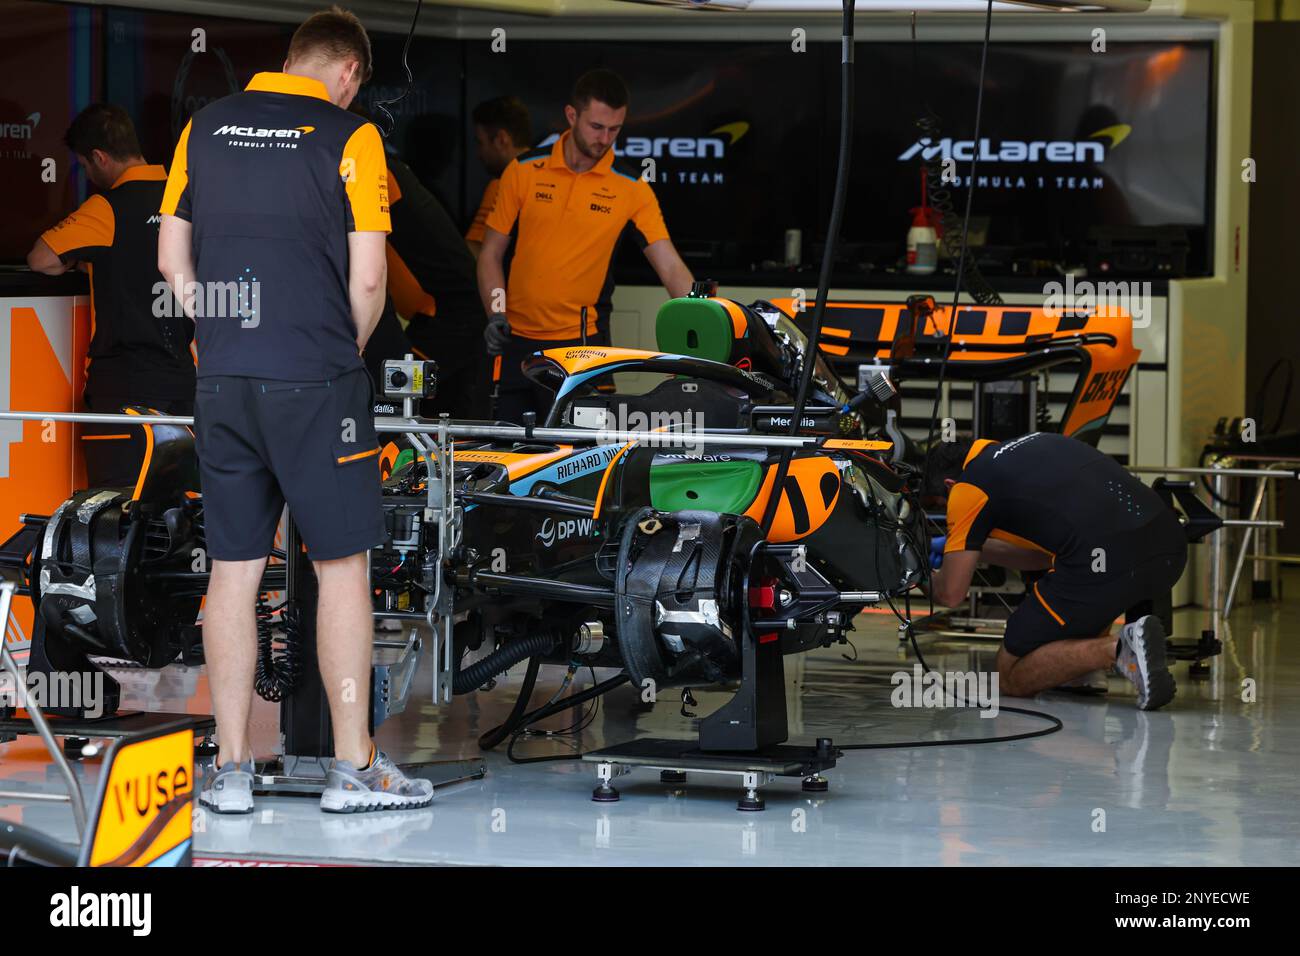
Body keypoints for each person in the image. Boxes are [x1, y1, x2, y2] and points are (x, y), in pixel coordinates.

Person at [157, 6, 433, 814]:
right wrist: (329, 347)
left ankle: (234, 771)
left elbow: (172, 255)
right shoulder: (352, 137)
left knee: (234, 572)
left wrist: (216, 328)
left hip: (226, 379)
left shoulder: (203, 127)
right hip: (318, 379)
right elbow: (374, 279)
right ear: (349, 73)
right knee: (340, 567)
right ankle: (353, 770)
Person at [476, 69, 694, 424]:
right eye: (596, 127)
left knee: (580, 461)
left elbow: (670, 267)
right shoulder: (523, 170)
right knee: (507, 453)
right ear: (572, 115)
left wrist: (707, 324)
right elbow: (490, 253)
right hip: (513, 342)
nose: (605, 139)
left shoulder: (631, 188)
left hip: (581, 347)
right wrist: (495, 313)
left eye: (615, 129)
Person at [926, 433, 1187, 711]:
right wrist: (973, 549)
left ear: (949, 485)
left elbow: (951, 594)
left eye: (942, 507)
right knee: (1089, 579)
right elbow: (1042, 557)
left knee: (1010, 674)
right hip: (1169, 551)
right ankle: (1082, 672)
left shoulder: (968, 487)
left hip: (1106, 566)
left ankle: (1121, 650)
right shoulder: (1038, 441)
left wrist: (914, 572)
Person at [27, 103, 194, 486]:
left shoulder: (107, 209)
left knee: (117, 515)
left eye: (85, 165)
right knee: (178, 514)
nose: (87, 174)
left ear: (99, 157)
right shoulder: (184, 199)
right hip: (184, 385)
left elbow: (41, 259)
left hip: (125, 390)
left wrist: (85, 261)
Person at [465, 95, 532, 259]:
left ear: (501, 139)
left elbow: (474, 253)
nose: (479, 154)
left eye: (480, 143)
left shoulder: (502, 184)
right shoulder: (547, 180)